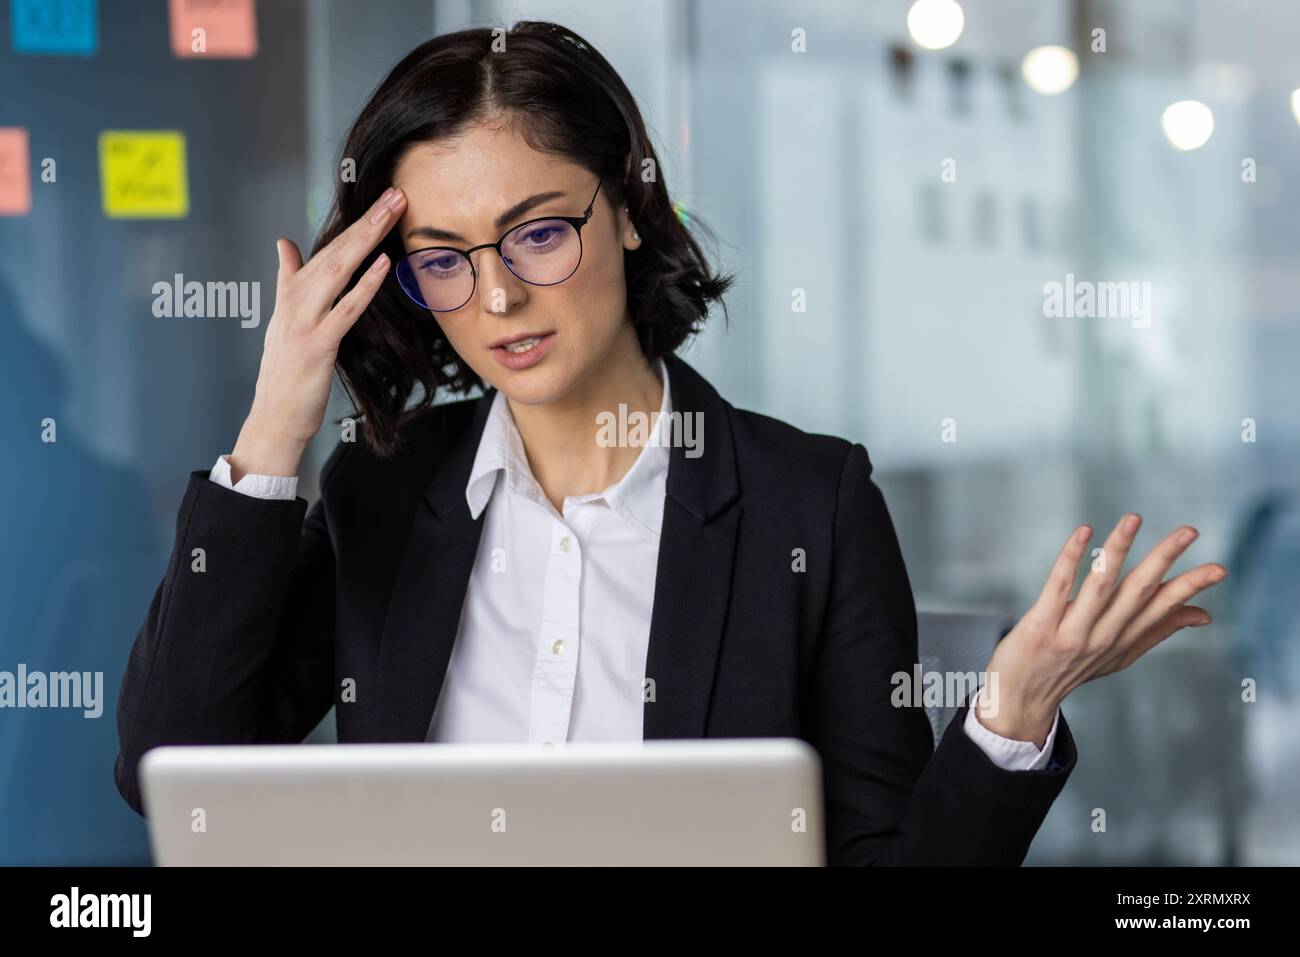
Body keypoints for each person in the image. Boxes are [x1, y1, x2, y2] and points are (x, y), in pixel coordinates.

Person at [113, 20, 1227, 866]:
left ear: (635, 209)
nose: (496, 296)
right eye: (444, 257)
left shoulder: (807, 503)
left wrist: (1008, 716)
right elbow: (171, 767)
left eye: (538, 233)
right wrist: (274, 430)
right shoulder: (385, 489)